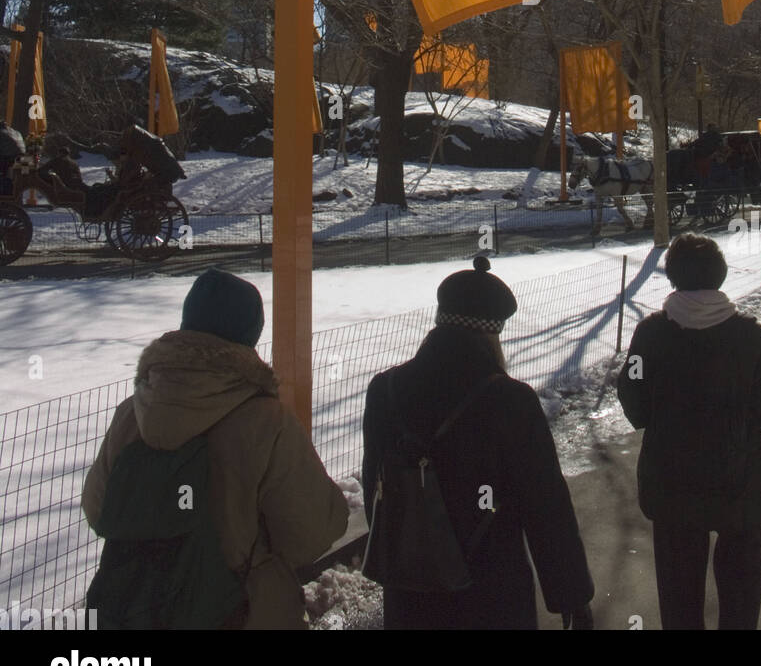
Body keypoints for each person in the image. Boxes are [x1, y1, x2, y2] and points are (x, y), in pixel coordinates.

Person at [82, 267, 348, 628]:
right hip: (242, 613)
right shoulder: (267, 421)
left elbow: (98, 511)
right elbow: (312, 534)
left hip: (135, 609)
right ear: (249, 334)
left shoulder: (131, 413)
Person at [361, 254, 594, 630]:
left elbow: (376, 487)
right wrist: (572, 598)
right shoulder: (511, 399)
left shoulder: (385, 390)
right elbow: (546, 507)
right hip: (492, 593)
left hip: (410, 592)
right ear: (493, 331)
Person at [617, 233, 761, 630]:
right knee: (742, 588)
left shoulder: (651, 335)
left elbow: (634, 399)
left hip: (671, 480)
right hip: (742, 480)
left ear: (673, 276)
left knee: (678, 593)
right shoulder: (750, 336)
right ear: (720, 275)